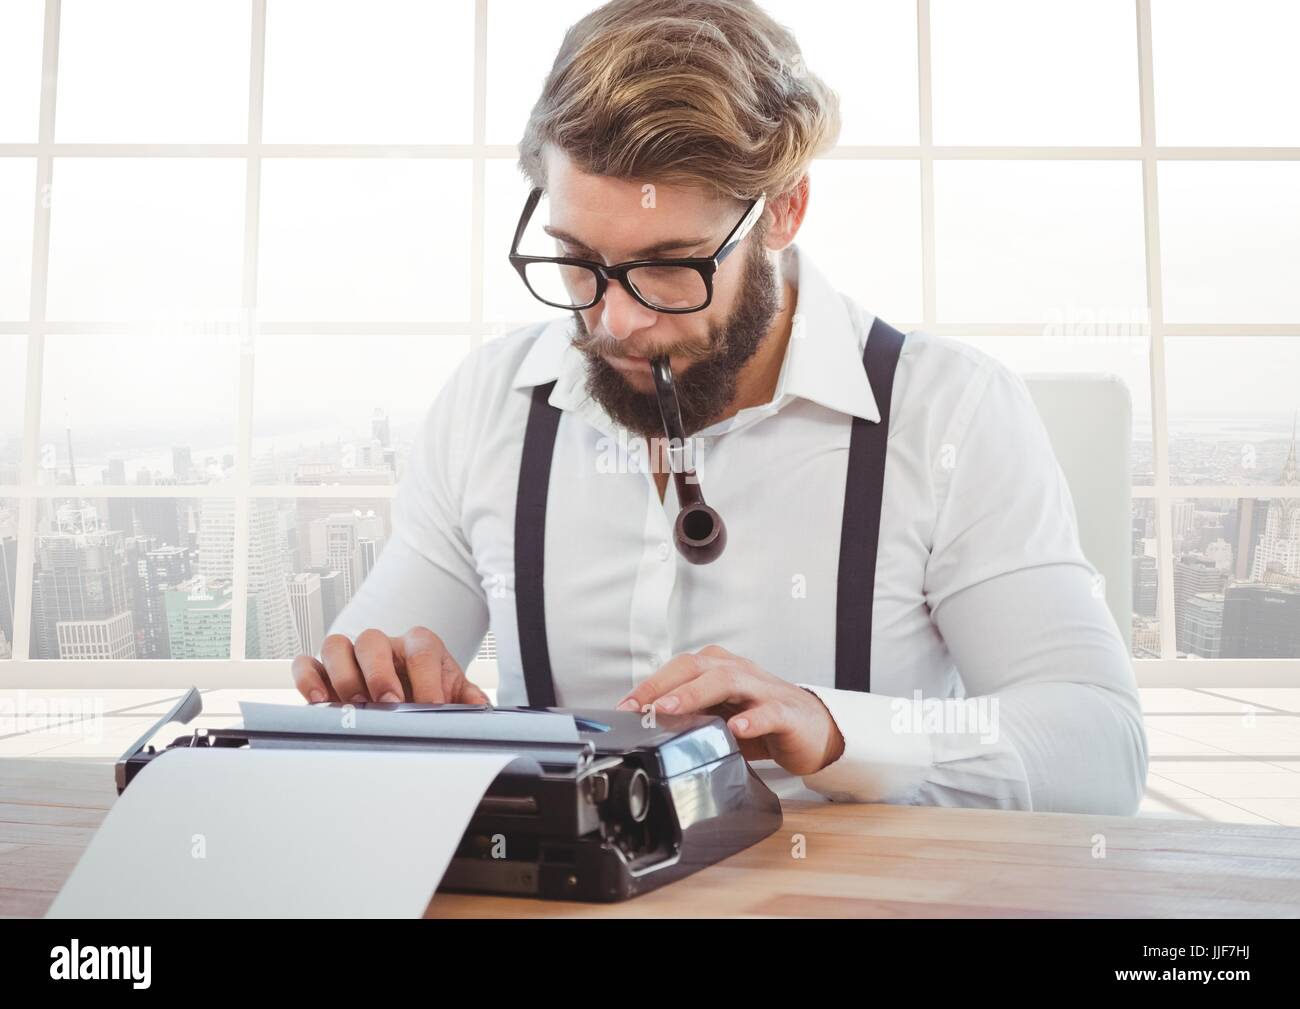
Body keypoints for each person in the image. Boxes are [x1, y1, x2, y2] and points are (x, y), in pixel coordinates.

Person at [291, 0, 1147, 812]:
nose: (614, 320)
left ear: (784, 210)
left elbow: (1100, 745)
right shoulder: (489, 405)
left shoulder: (951, 413)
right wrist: (373, 696)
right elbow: (352, 708)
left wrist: (842, 728)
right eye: (578, 259)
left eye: (670, 265)